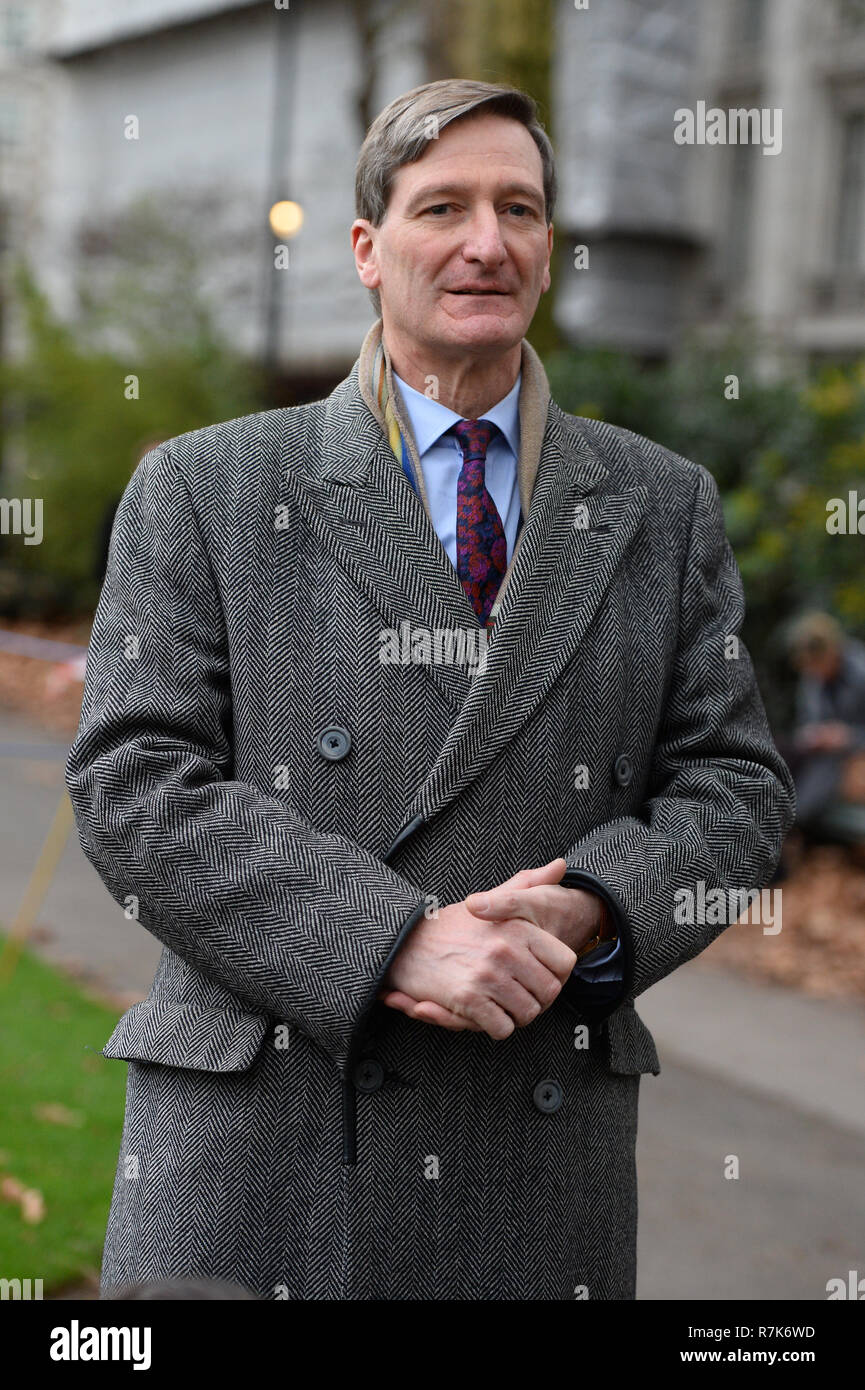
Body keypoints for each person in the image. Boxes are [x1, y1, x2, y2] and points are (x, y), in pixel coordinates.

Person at [64, 78, 795, 1301]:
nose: (484, 241)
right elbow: (133, 789)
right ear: (366, 249)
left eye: (519, 208)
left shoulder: (661, 505)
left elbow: (737, 792)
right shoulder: (210, 487)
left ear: (549, 252)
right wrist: (389, 938)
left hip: (532, 1143)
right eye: (441, 206)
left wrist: (599, 911)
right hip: (265, 1150)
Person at [783, 611, 865, 844]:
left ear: (833, 650)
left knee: (805, 801)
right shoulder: (812, 677)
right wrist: (812, 734)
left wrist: (848, 737)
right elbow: (805, 723)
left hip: (852, 754)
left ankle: (796, 825)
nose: (814, 671)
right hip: (824, 754)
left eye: (817, 663)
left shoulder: (860, 671)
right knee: (779, 753)